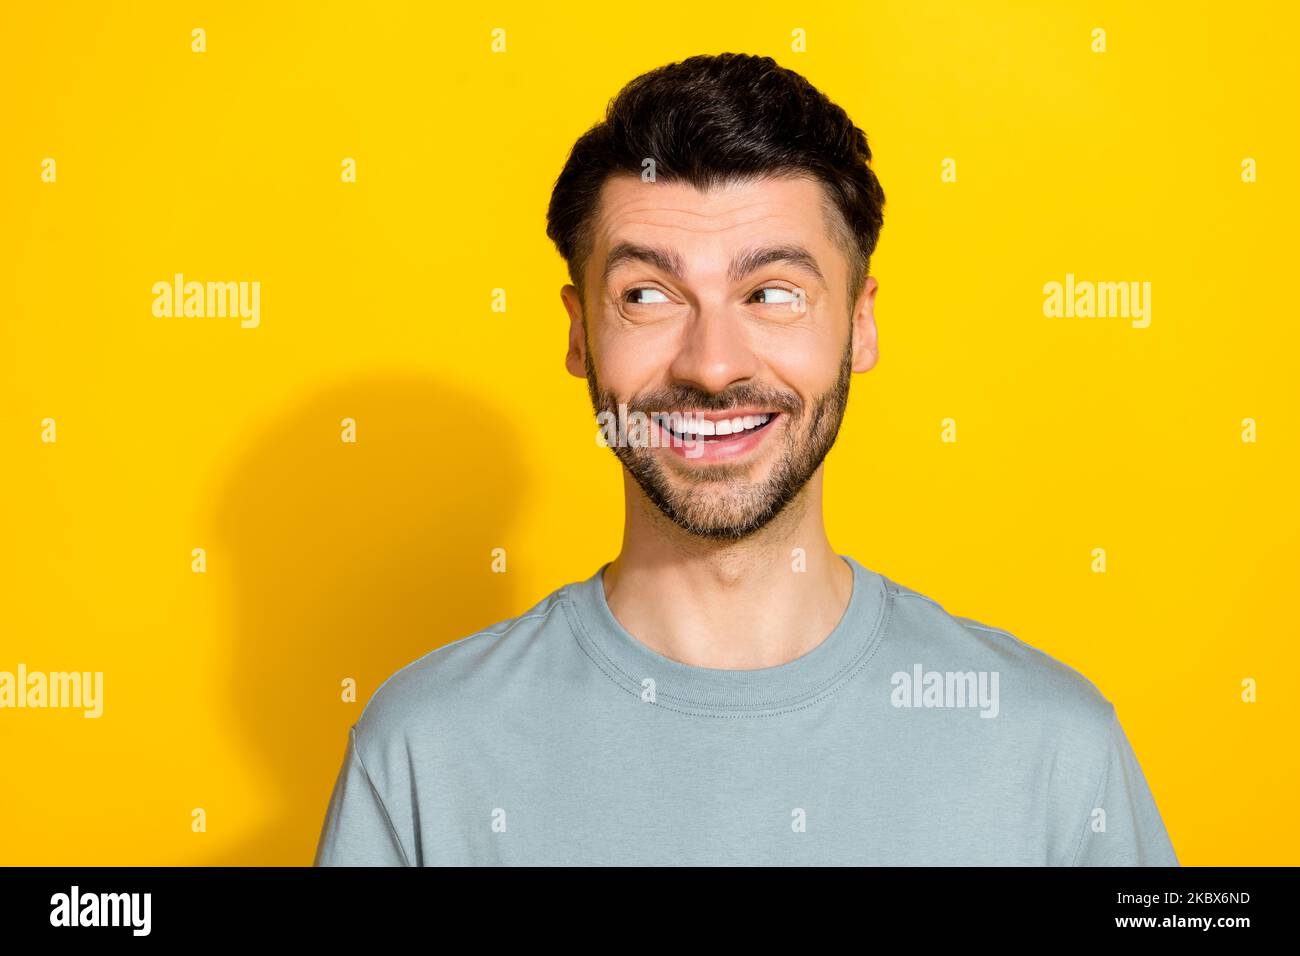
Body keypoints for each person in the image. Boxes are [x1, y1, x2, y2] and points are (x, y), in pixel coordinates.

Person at [314, 52, 1177, 866]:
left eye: (772, 294)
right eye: (647, 295)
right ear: (580, 331)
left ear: (860, 323)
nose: (713, 364)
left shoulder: (1053, 747)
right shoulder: (423, 751)